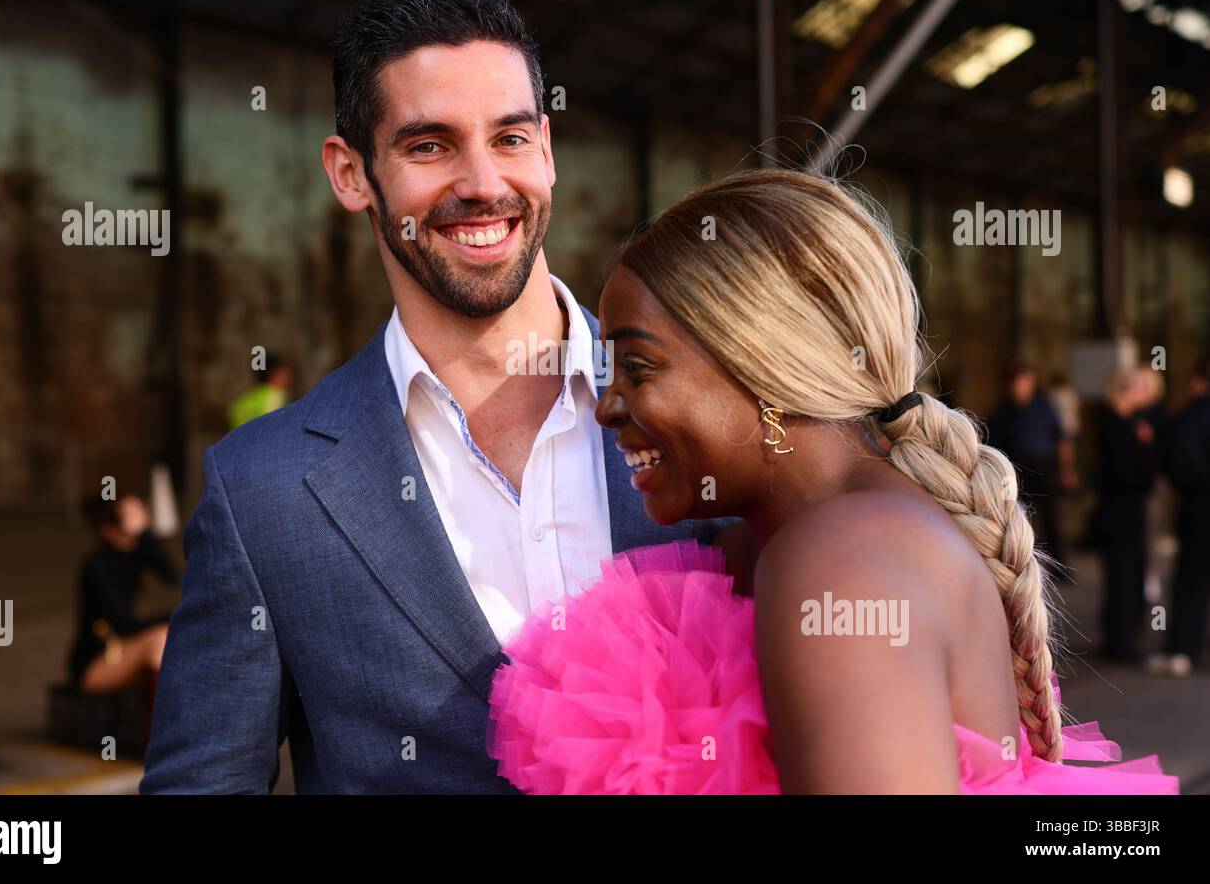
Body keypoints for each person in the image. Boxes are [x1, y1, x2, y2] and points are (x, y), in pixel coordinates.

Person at [140, 0, 736, 794]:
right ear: (351, 174)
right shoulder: (262, 492)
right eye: (430, 146)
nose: (484, 184)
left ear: (548, 151)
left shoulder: (720, 412)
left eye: (512, 139)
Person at [486, 168, 1178, 794]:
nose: (606, 405)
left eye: (637, 367)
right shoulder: (792, 546)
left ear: (763, 372)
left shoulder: (838, 562)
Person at [67, 494, 175, 694]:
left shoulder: (136, 552)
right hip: (98, 657)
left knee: (173, 635)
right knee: (161, 639)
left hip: (123, 647)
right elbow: (123, 623)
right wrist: (173, 618)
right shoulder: (97, 566)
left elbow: (171, 575)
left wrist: (145, 535)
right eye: (128, 516)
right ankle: (161, 723)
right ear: (108, 530)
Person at [1092, 368, 1158, 664]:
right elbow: (1132, 474)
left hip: (1120, 510)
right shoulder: (1120, 427)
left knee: (1123, 574)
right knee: (1124, 574)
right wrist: (1144, 446)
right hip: (1122, 512)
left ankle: (1120, 637)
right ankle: (1121, 641)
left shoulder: (1119, 424)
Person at [1152, 356, 1210, 677]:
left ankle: (1185, 647)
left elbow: (1178, 464)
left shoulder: (1189, 418)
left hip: (1197, 508)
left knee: (1191, 580)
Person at [986, 361, 1072, 574]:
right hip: (1015, 474)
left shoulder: (1044, 406)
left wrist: (1067, 469)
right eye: (1014, 382)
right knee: (1020, 520)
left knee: (1052, 518)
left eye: (1022, 381)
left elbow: (1061, 439)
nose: (1018, 387)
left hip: (1045, 469)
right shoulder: (1002, 411)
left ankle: (1058, 566)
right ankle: (1025, 566)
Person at [227, 352, 294, 430]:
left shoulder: (250, 397)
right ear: (274, 374)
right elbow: (272, 426)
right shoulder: (276, 395)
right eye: (286, 374)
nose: (290, 379)